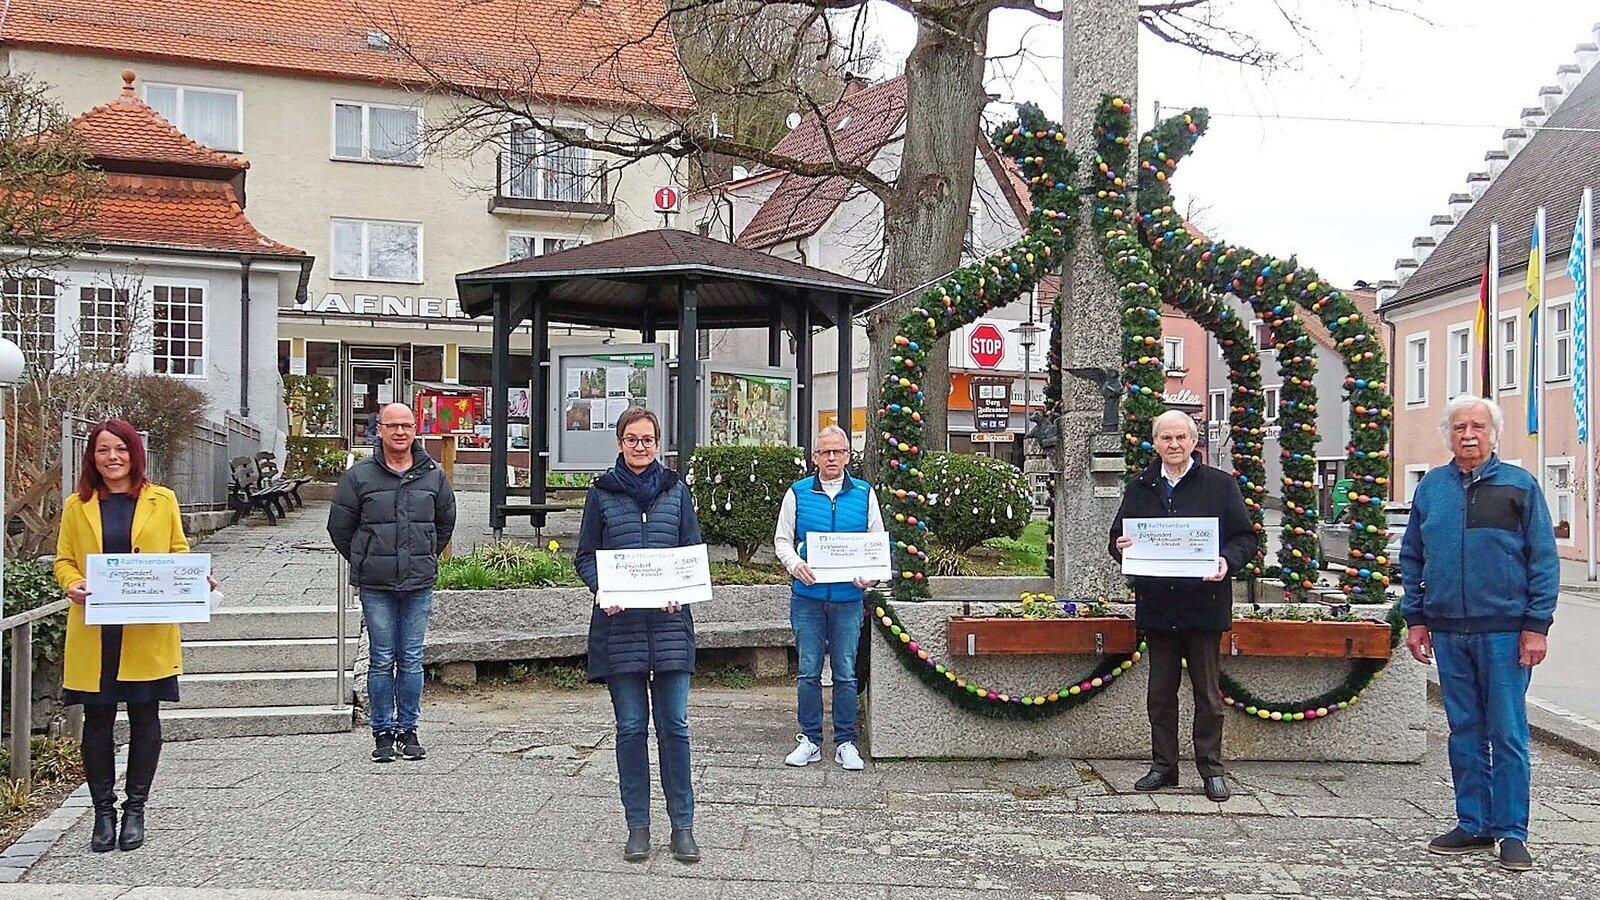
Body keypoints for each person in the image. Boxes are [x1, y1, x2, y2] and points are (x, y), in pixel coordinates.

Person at [1400, 394, 1556, 872]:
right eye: (1460, 427)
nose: (1469, 435)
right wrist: (1417, 618)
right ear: (1449, 434)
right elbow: (1413, 556)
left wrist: (1536, 626)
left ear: (1493, 434)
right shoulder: (1432, 489)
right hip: (1448, 632)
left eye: (1478, 427)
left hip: (1505, 633)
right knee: (1463, 730)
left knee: (1507, 732)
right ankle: (1473, 823)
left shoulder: (1520, 486)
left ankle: (1511, 831)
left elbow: (1543, 560)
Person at [57, 419, 213, 853]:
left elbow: (178, 554)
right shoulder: (78, 504)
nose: (113, 457)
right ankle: (103, 812)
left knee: (145, 717)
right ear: (93, 456)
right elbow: (65, 559)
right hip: (96, 629)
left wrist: (196, 580)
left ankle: (135, 809)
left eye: (121, 449)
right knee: (98, 720)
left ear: (134, 453)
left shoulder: (161, 500)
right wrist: (71, 584)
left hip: (146, 628)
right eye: (104, 450)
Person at [1108, 409, 1256, 803]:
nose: (1173, 445)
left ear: (1194, 442)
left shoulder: (1219, 485)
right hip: (1158, 606)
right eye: (1166, 439)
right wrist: (1121, 547)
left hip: (1203, 605)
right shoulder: (1140, 485)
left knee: (1208, 693)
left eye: (1181, 438)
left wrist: (1227, 561)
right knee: (1160, 692)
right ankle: (1164, 766)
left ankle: (1211, 768)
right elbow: (1116, 538)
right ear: (1155, 443)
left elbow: (1244, 538)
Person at [576, 407, 702, 865]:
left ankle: (682, 827)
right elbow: (585, 557)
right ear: (619, 442)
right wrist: (602, 588)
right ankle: (638, 827)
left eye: (648, 439)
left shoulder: (677, 492)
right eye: (632, 439)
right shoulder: (601, 494)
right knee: (630, 729)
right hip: (620, 630)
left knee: (675, 729)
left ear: (658, 443)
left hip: (670, 630)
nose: (641, 447)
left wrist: (681, 591)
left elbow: (691, 553)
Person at [328, 402, 456, 764]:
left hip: (417, 581)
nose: (400, 432)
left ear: (416, 430)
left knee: (412, 658)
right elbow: (340, 527)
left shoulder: (432, 474)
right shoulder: (360, 476)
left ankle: (409, 730)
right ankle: (382, 732)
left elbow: (445, 520)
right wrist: (367, 558)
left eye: (407, 426)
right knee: (382, 658)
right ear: (379, 430)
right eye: (393, 426)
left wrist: (426, 553)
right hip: (376, 584)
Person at [773, 425, 883, 771]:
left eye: (838, 451)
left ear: (848, 455)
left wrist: (872, 576)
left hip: (849, 599)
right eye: (825, 452)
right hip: (807, 597)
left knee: (846, 672)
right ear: (815, 456)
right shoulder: (798, 493)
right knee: (807, 670)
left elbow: (876, 544)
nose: (832, 458)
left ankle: (846, 741)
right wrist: (795, 565)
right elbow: (782, 541)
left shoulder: (865, 494)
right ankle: (810, 739)